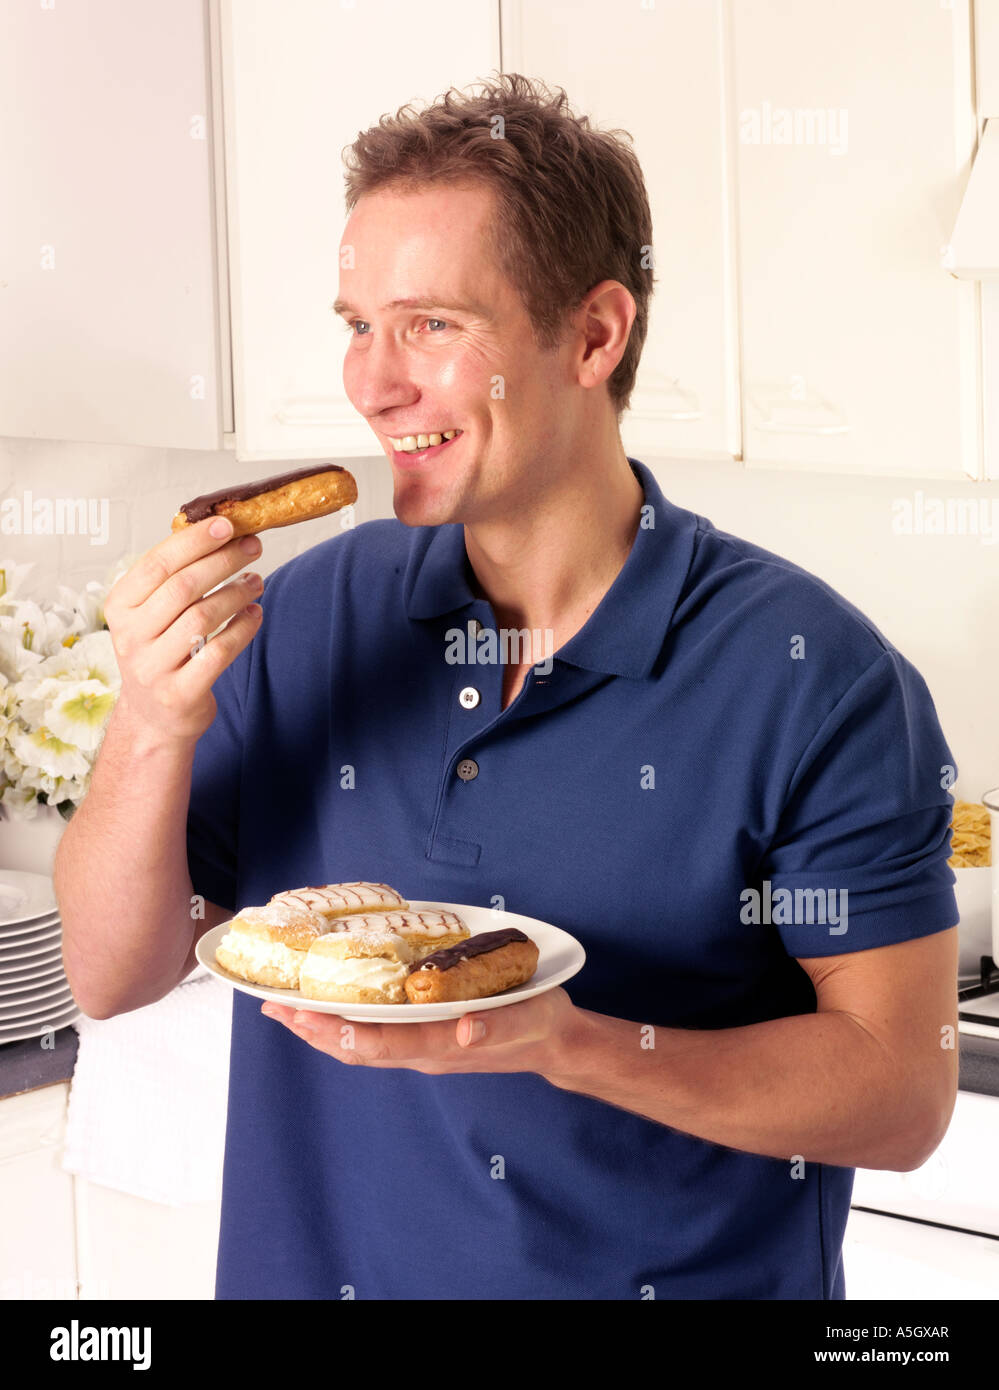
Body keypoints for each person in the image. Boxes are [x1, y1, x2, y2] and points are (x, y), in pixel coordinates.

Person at [55, 74, 959, 1300]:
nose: (372, 382)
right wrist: (149, 725)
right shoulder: (307, 612)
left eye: (431, 325)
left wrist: (573, 1045)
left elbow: (901, 1093)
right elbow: (115, 973)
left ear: (593, 335)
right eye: (356, 321)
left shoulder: (814, 677)